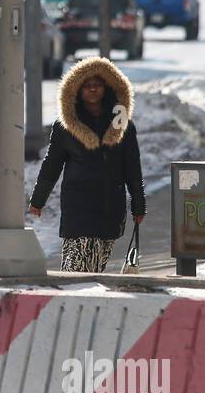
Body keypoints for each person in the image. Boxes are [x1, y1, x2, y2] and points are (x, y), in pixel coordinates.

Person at [28, 55, 146, 272]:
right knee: (75, 268)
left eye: (97, 85)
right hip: (78, 206)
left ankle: (86, 302)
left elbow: (132, 166)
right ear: (76, 90)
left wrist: (139, 203)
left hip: (110, 206)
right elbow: (52, 164)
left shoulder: (122, 125)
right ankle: (70, 302)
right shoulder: (65, 126)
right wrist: (38, 199)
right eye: (87, 86)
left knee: (97, 266)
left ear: (108, 87)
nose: (92, 90)